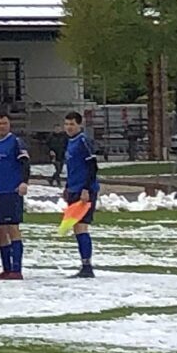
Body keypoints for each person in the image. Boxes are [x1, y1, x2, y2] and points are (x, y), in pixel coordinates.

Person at [0, 112, 31, 280]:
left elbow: (25, 163)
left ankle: (17, 269)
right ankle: (6, 268)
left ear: (9, 125)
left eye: (5, 123)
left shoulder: (16, 143)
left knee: (13, 228)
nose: (2, 126)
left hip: (12, 192)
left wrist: (24, 182)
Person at [63, 111, 101, 278]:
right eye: (67, 124)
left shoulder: (83, 141)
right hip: (74, 188)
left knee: (81, 226)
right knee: (76, 227)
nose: (69, 127)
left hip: (85, 190)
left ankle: (87, 266)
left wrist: (86, 188)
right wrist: (67, 186)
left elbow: (92, 166)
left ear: (79, 125)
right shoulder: (70, 142)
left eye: (72, 124)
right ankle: (84, 264)